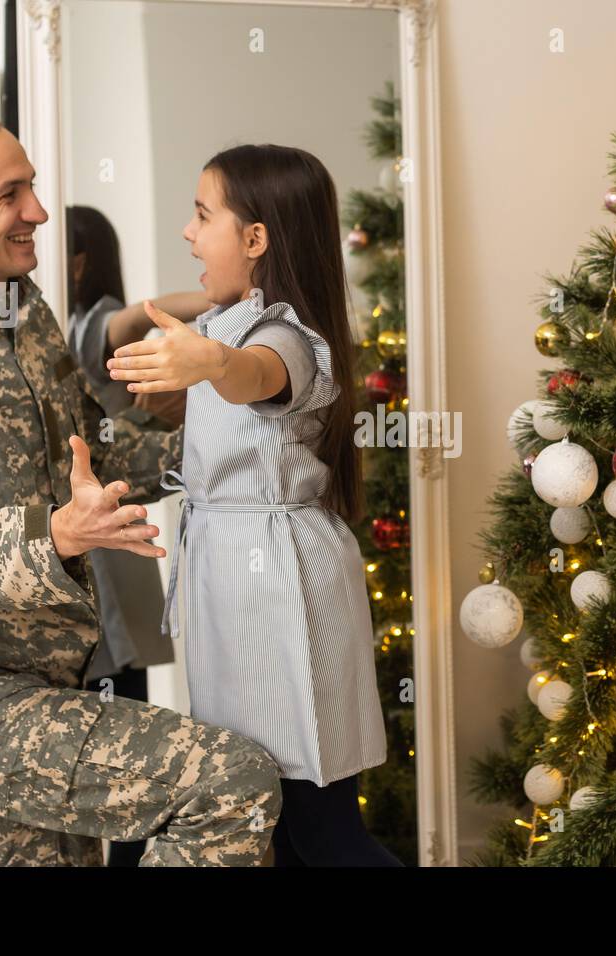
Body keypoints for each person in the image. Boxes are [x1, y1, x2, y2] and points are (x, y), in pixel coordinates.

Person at [0, 108, 280, 866]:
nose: (37, 211)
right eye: (11, 195)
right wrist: (60, 533)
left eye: (32, 187)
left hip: (53, 675)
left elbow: (94, 448)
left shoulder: (25, 314)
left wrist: (236, 443)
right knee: (231, 782)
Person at [107, 144, 402, 866]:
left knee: (320, 823)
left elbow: (254, 378)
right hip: (234, 583)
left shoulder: (286, 339)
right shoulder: (226, 320)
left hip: (281, 586)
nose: (187, 231)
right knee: (260, 809)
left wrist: (209, 363)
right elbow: (132, 333)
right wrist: (196, 327)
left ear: (255, 239)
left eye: (203, 215)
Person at [64, 203, 211, 865]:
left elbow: (138, 313)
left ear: (79, 261)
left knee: (125, 755)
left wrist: (220, 297)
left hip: (109, 572)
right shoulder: (48, 327)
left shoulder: (95, 323)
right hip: (91, 561)